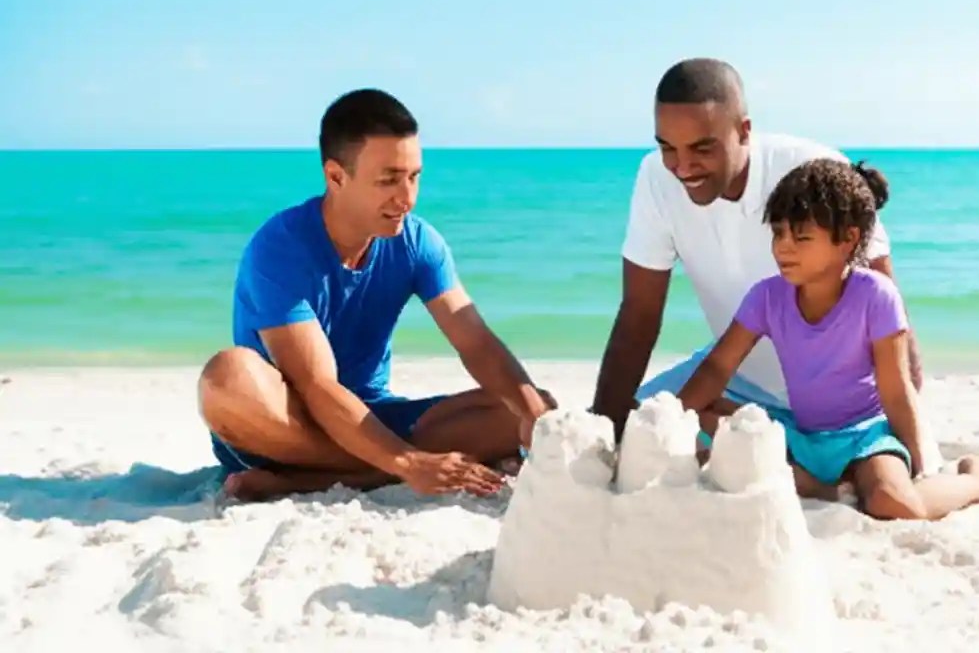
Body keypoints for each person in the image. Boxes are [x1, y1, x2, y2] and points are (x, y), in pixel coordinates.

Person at [197, 88, 554, 501]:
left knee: (525, 404)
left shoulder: (419, 242)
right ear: (335, 177)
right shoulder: (279, 248)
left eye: (414, 177)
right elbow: (317, 386)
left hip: (375, 417)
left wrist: (532, 413)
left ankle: (325, 480)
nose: (406, 199)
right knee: (227, 377)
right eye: (388, 181)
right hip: (286, 427)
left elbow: (475, 340)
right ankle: (374, 470)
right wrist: (406, 462)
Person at [591, 57, 928, 451]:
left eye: (702, 147)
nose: (682, 167)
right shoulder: (656, 178)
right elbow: (639, 314)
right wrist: (605, 434)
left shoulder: (811, 172)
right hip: (733, 383)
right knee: (629, 437)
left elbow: (885, 301)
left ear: (744, 130)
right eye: (668, 147)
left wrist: (907, 428)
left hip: (842, 412)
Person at [677, 159, 979, 518]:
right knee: (711, 414)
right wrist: (670, 417)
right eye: (778, 233)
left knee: (893, 502)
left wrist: (917, 468)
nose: (783, 247)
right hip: (802, 434)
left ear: (848, 239)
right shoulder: (767, 297)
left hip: (866, 437)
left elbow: (895, 389)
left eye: (801, 236)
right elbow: (717, 367)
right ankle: (829, 491)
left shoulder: (875, 295)